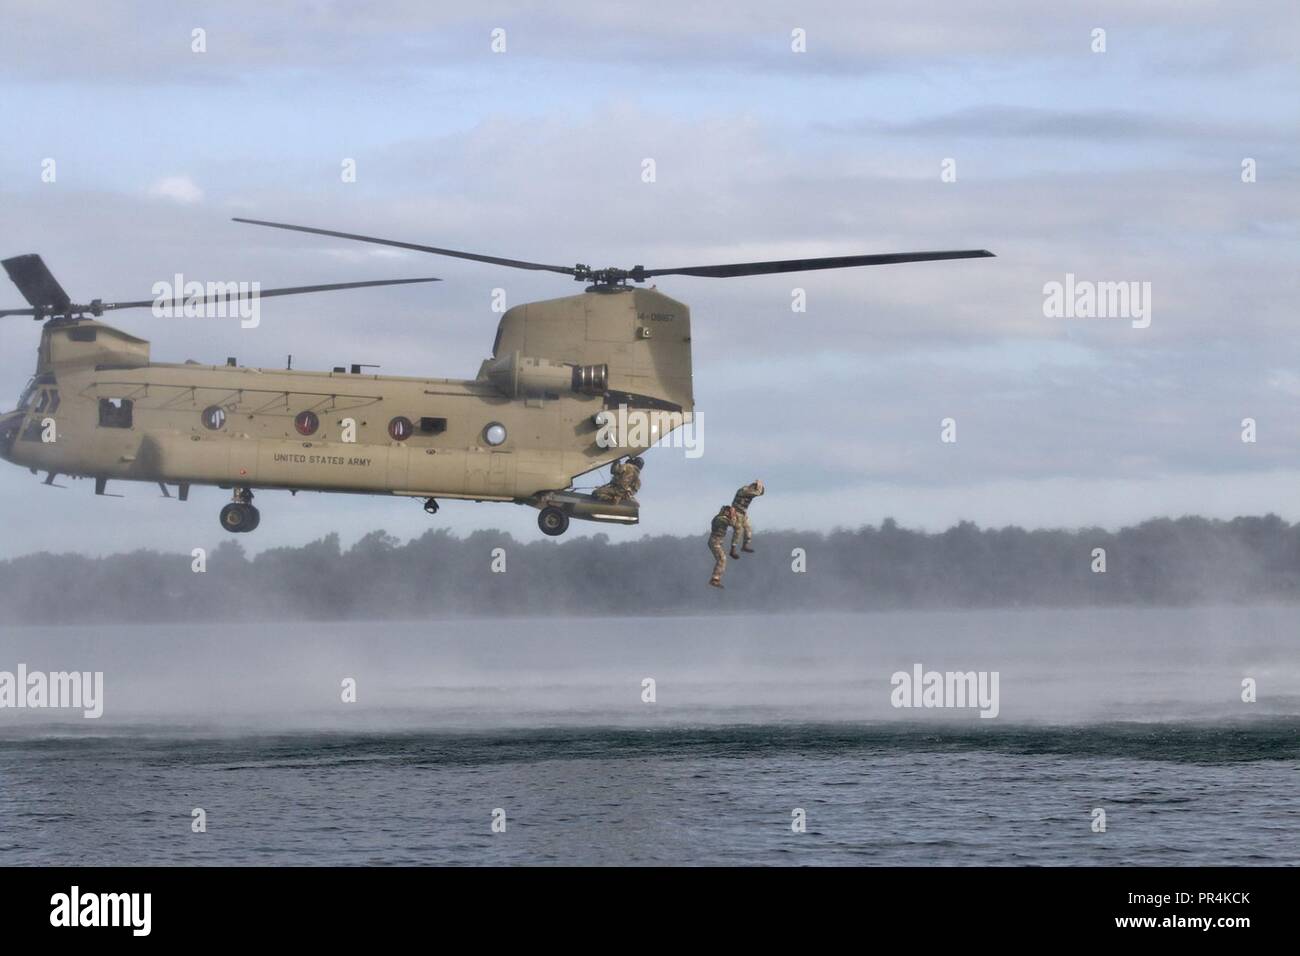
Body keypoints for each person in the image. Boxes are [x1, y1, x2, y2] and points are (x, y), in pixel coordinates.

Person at [729, 479, 764, 559]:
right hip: (736, 512)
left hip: (743, 513)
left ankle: (745, 546)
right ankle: (733, 550)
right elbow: (758, 493)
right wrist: (760, 485)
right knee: (739, 530)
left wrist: (759, 485)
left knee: (748, 528)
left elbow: (760, 493)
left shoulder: (750, 491)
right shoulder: (745, 491)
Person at [708, 504, 740, 589]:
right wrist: (733, 514)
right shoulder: (720, 518)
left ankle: (715, 579)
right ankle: (715, 579)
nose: (729, 513)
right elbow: (733, 524)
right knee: (722, 559)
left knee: (722, 559)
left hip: (717, 541)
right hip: (715, 541)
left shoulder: (720, 518)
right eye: (728, 511)